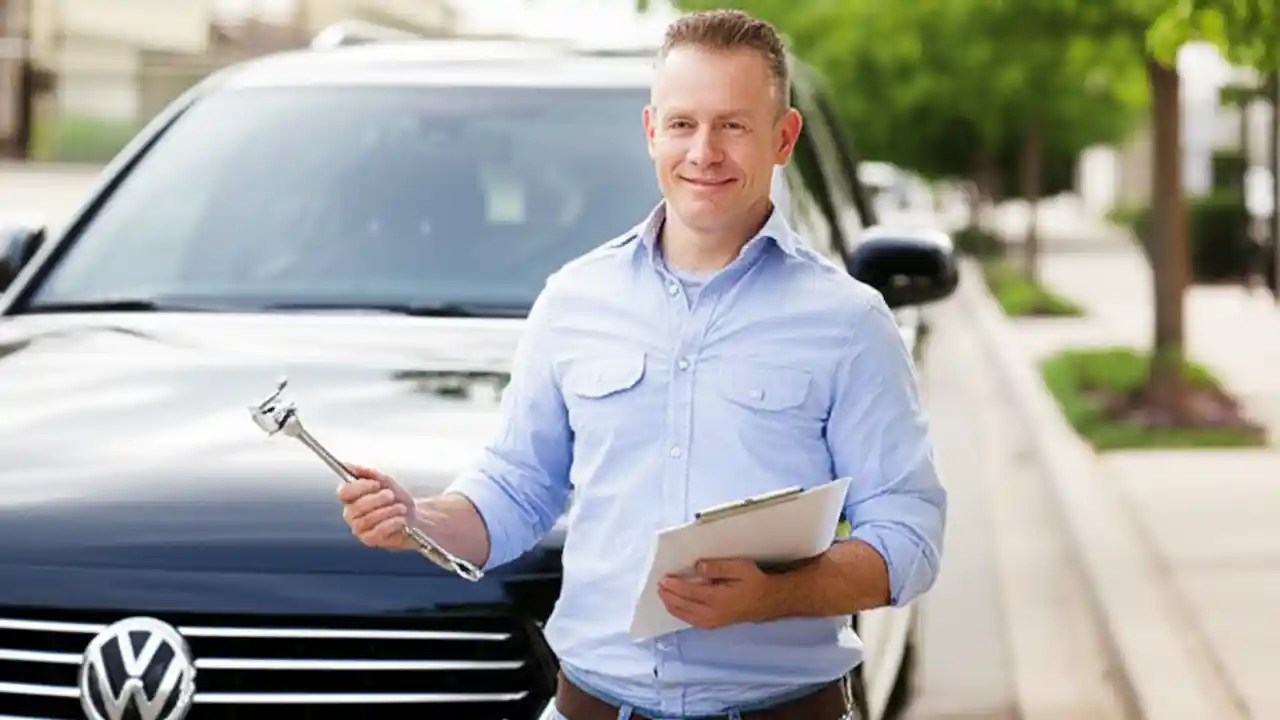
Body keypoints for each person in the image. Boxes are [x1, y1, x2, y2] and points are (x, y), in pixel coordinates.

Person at [336, 9, 946, 720]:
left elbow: (909, 535)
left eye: (734, 125)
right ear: (652, 131)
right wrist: (421, 518)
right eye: (683, 124)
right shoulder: (573, 300)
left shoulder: (849, 322)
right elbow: (518, 488)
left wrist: (776, 592)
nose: (704, 152)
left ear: (783, 138)